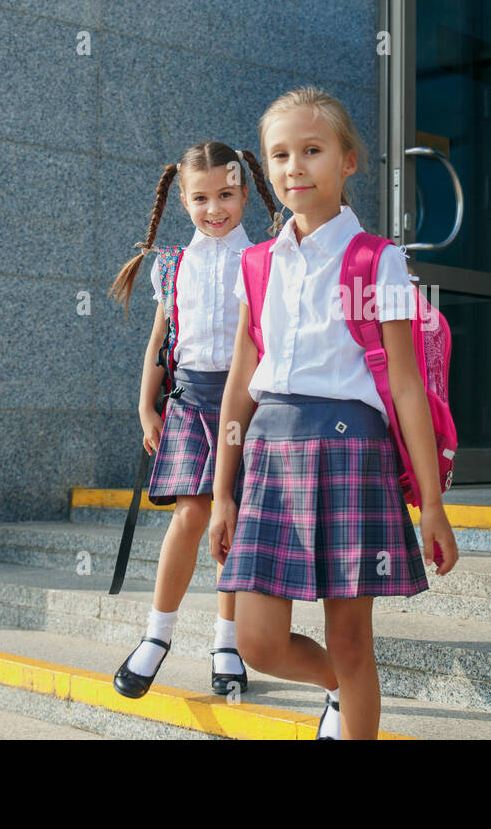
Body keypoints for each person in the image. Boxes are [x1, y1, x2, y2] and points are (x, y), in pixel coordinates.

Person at [210, 87, 459, 740]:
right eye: (280, 154)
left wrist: (430, 503)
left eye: (312, 150)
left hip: (351, 454)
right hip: (268, 454)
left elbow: (405, 386)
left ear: (348, 161)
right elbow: (240, 380)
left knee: (351, 644)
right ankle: (338, 691)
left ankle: (350, 692)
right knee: (259, 644)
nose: (295, 166)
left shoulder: (380, 261)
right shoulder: (256, 264)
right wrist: (221, 494)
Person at [107, 141, 281, 699]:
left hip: (245, 402)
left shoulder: (263, 260)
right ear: (182, 199)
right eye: (201, 197)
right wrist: (145, 406)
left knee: (232, 525)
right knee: (191, 514)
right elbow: (161, 339)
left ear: (246, 193)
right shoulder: (172, 265)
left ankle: (226, 640)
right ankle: (156, 636)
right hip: (187, 399)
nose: (215, 208)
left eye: (226, 195)